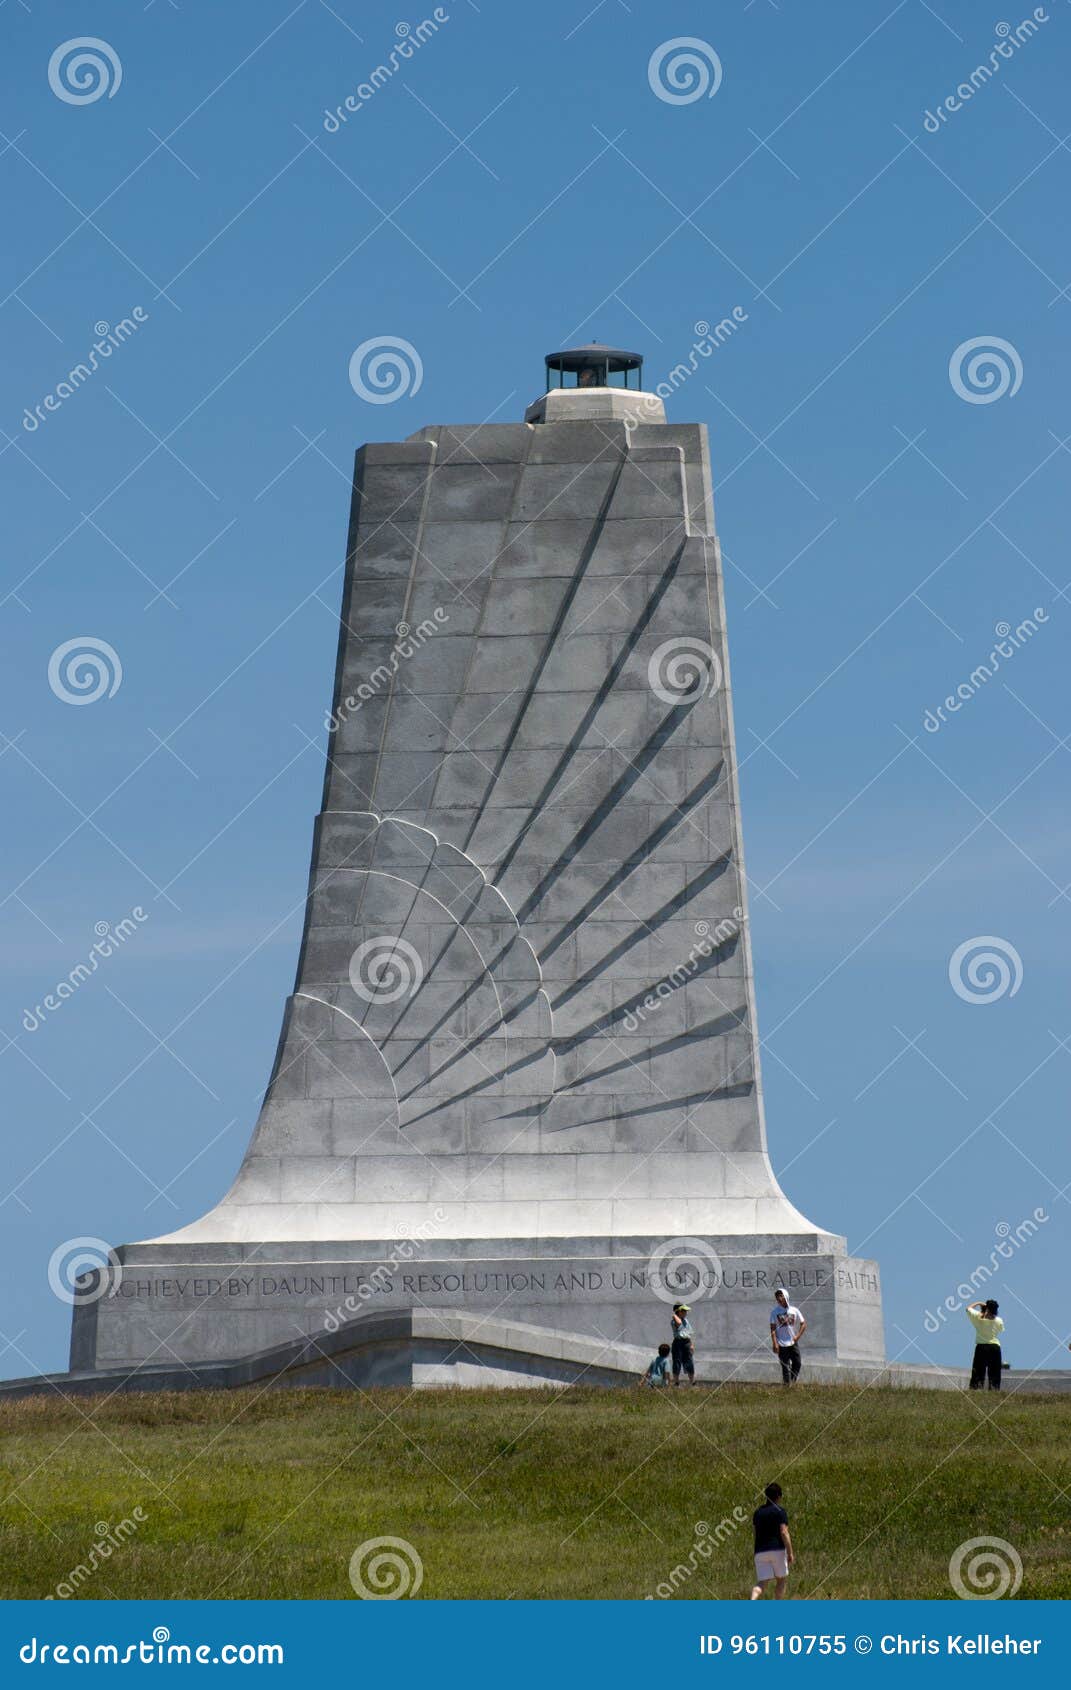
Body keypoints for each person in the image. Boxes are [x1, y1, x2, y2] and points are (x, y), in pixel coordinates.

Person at [750, 1482, 794, 1599]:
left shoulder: (758, 1513)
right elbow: (784, 1532)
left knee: (762, 1583)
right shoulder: (780, 1511)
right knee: (781, 1580)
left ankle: (752, 1599)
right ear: (779, 1496)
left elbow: (755, 1533)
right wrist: (790, 1552)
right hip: (777, 1549)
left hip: (760, 1550)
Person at [770, 1288, 807, 1386]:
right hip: (781, 1343)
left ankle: (792, 1381)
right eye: (777, 1296)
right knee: (785, 1366)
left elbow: (803, 1324)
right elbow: (773, 1329)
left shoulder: (794, 1310)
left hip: (792, 1342)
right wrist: (775, 1343)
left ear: (786, 1296)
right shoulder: (774, 1312)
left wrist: (797, 1337)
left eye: (781, 1295)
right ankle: (787, 1386)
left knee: (797, 1363)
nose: (779, 1298)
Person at [966, 1298, 1005, 1390]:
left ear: (986, 1308)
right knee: (994, 1372)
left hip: (981, 1347)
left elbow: (968, 1309)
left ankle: (976, 1388)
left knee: (978, 1371)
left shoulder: (978, 1318)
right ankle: (994, 1389)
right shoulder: (999, 1320)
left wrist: (979, 1303)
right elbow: (1000, 1329)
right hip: (995, 1347)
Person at [670, 1303, 695, 1386]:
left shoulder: (686, 1320)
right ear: (679, 1311)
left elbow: (688, 1333)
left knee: (689, 1362)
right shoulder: (674, 1320)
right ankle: (676, 1382)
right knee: (677, 1362)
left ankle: (692, 1382)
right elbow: (679, 1323)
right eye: (684, 1311)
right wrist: (674, 1314)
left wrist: (691, 1344)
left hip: (686, 1342)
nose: (686, 1312)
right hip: (678, 1342)